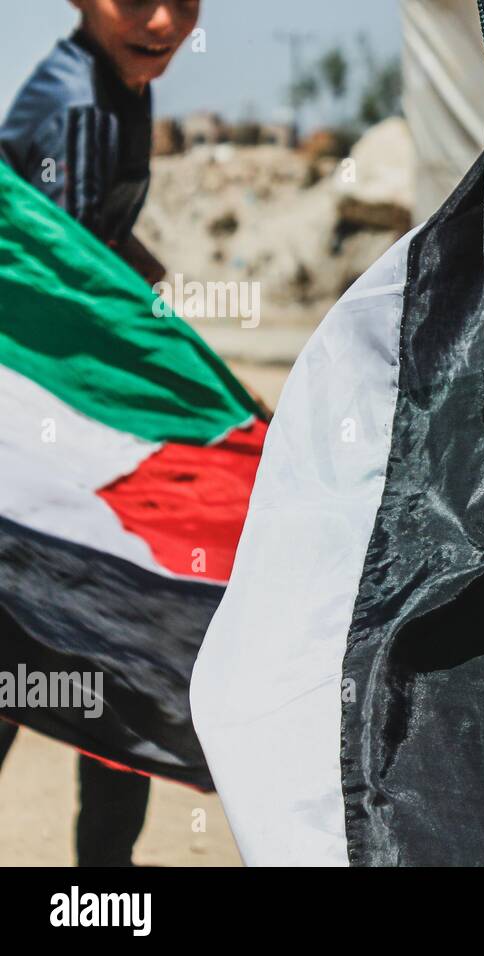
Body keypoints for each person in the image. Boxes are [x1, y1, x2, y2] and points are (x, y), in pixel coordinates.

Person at [0, 0, 201, 865]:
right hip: (39, 441)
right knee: (106, 660)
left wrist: (159, 291)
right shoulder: (79, 105)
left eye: (186, 0)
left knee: (107, 673)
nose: (161, 20)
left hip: (54, 434)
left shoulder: (117, 81)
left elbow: (99, 245)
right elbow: (64, 294)